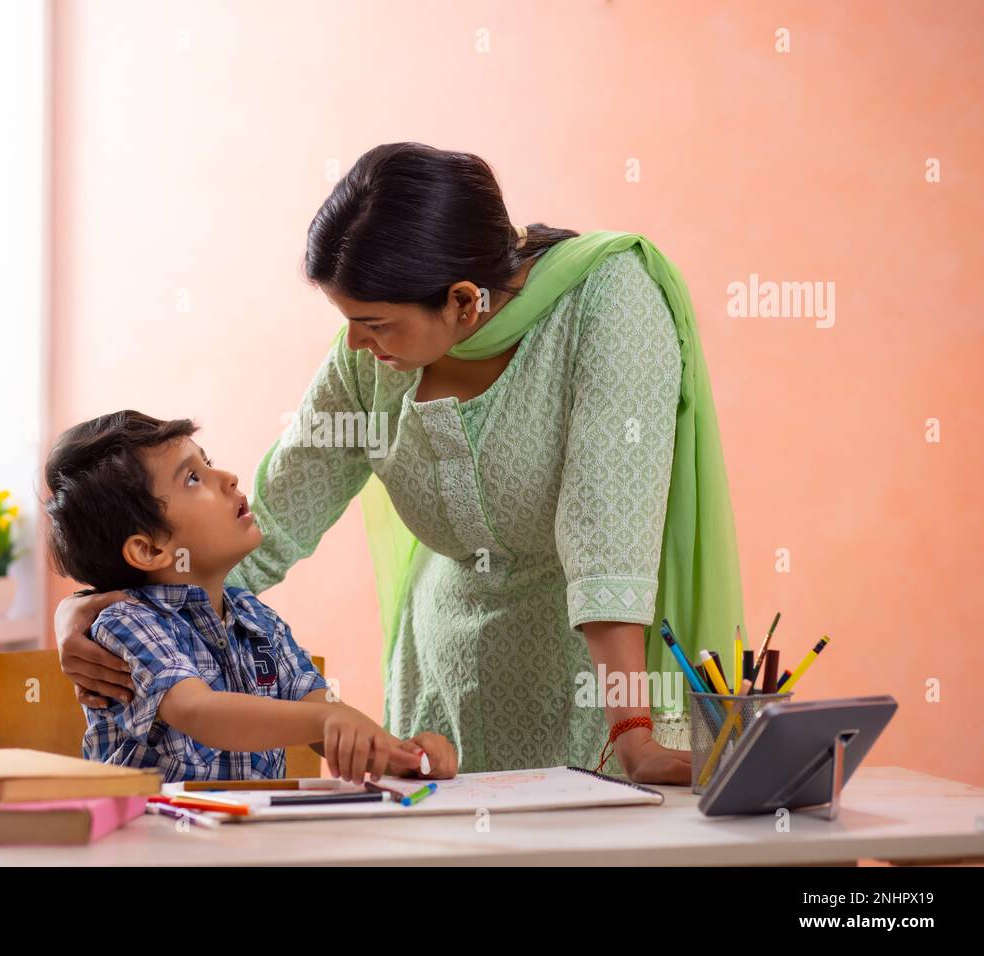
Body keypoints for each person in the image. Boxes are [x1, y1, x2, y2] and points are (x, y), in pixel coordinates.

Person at [54, 143, 745, 784]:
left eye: (374, 321)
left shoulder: (608, 301)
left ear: (464, 301)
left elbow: (608, 543)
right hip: (447, 679)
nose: (353, 343)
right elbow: (260, 529)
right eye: (347, 318)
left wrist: (634, 735)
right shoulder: (369, 358)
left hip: (600, 681)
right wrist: (92, 605)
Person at [43, 409, 458, 782]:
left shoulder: (257, 619)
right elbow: (197, 712)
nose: (227, 478)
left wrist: (399, 754)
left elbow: (318, 702)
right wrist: (325, 719)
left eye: (207, 463)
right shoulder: (127, 622)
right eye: (193, 478)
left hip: (248, 840)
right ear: (150, 549)